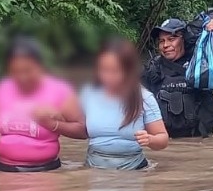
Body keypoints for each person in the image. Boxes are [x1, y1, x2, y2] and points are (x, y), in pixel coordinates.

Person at [0, 37, 80, 172]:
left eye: (28, 70)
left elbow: (82, 130)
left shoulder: (59, 91)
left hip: (45, 173)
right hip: (4, 172)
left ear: (40, 66)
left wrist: (54, 124)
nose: (22, 77)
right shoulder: (3, 89)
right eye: (16, 71)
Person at [67, 38, 169, 170]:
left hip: (133, 169)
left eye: (115, 71)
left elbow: (163, 139)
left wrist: (150, 140)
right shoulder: (88, 94)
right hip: (94, 169)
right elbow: (74, 125)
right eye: (103, 70)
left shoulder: (144, 97)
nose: (108, 76)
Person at [141, 14, 213, 138]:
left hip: (201, 145)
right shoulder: (152, 70)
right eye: (161, 41)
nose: (165, 45)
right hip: (165, 144)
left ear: (184, 39)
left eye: (171, 39)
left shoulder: (203, 66)